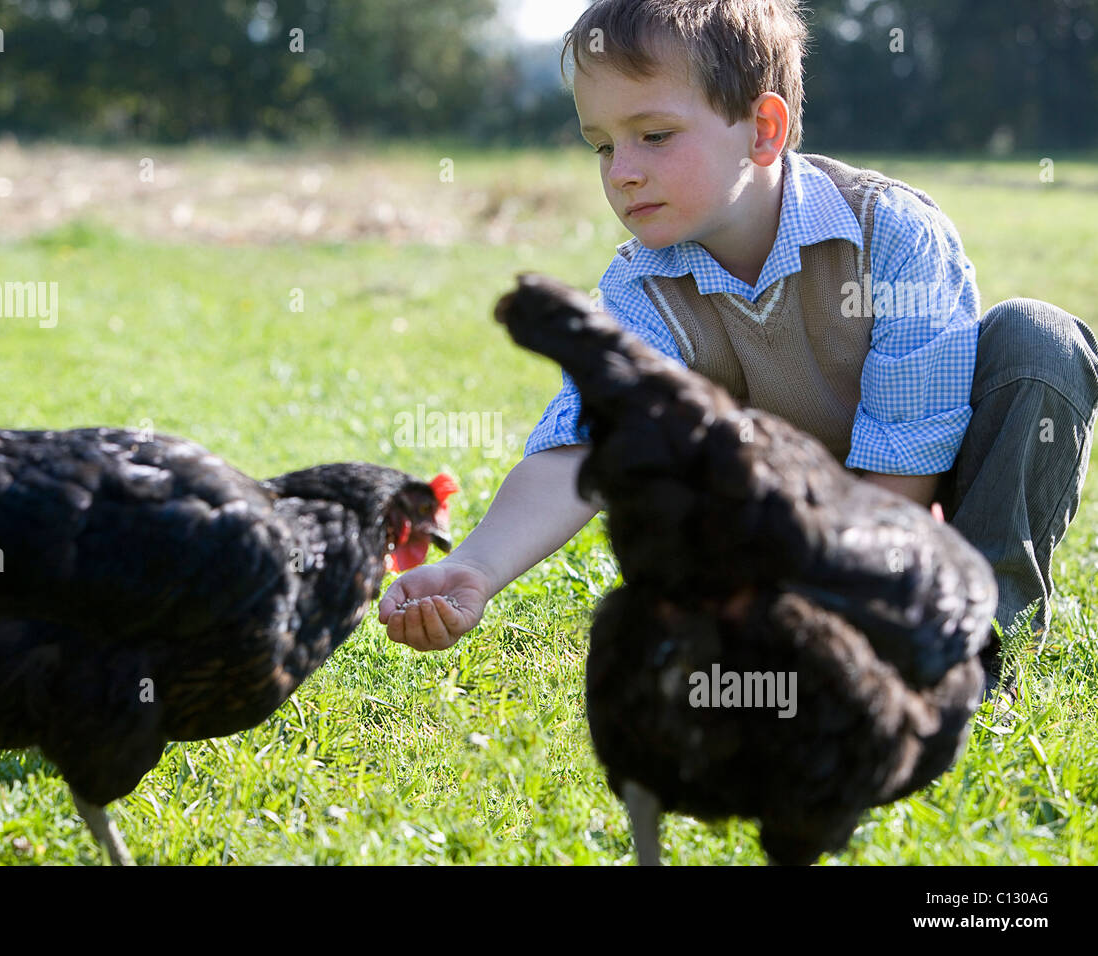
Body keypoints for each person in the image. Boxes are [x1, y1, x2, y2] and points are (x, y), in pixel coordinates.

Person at [378, 0, 1098, 688]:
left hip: (917, 501)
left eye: (653, 136)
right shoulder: (641, 289)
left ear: (763, 130)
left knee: (1039, 339)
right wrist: (475, 565)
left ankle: (978, 645)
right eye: (601, 146)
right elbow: (584, 446)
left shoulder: (890, 233)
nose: (621, 172)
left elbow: (905, 464)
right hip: (781, 536)